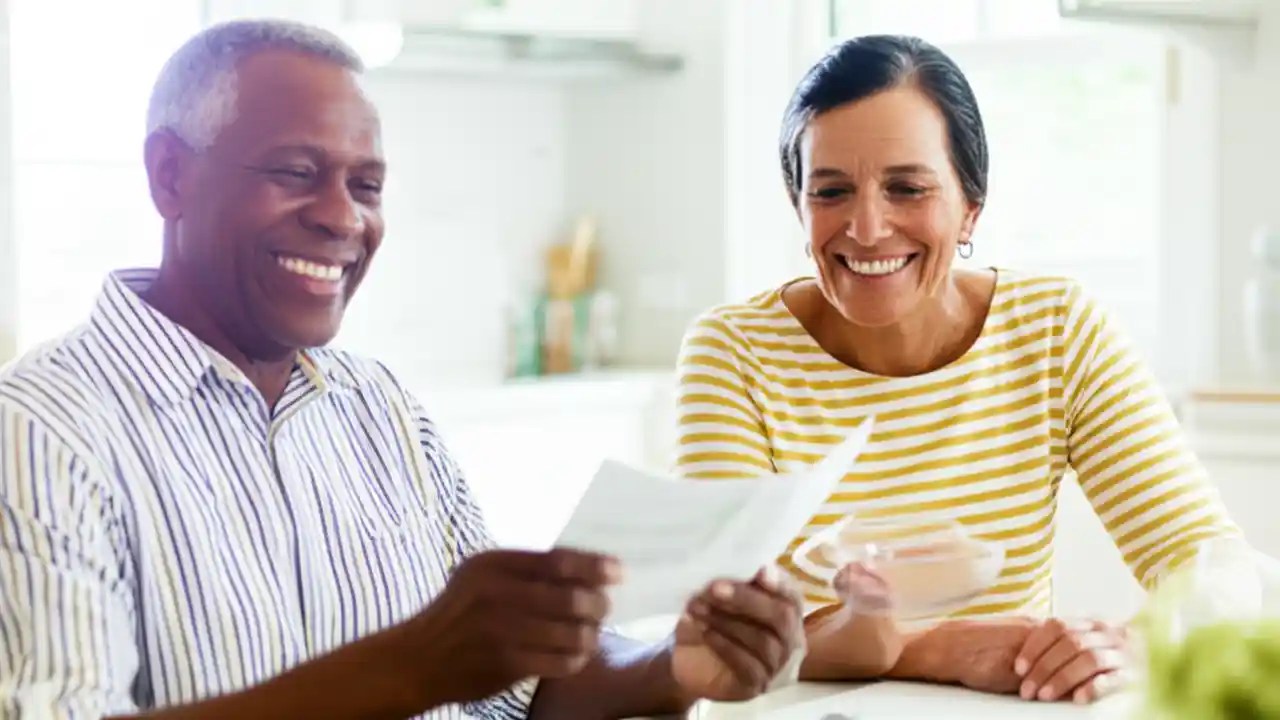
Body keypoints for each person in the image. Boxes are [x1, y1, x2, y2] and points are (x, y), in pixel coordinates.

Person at [0, 20, 806, 720]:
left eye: (367, 185)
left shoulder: (379, 408)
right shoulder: (42, 431)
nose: (342, 217)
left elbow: (518, 690)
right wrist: (416, 664)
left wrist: (673, 666)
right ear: (169, 176)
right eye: (295, 172)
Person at [674, 34, 1258, 705]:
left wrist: (1137, 646)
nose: (866, 227)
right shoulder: (736, 352)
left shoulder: (1054, 330)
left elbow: (1215, 565)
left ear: (970, 206)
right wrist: (938, 649)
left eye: (907, 188)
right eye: (831, 191)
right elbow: (723, 642)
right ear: (798, 207)